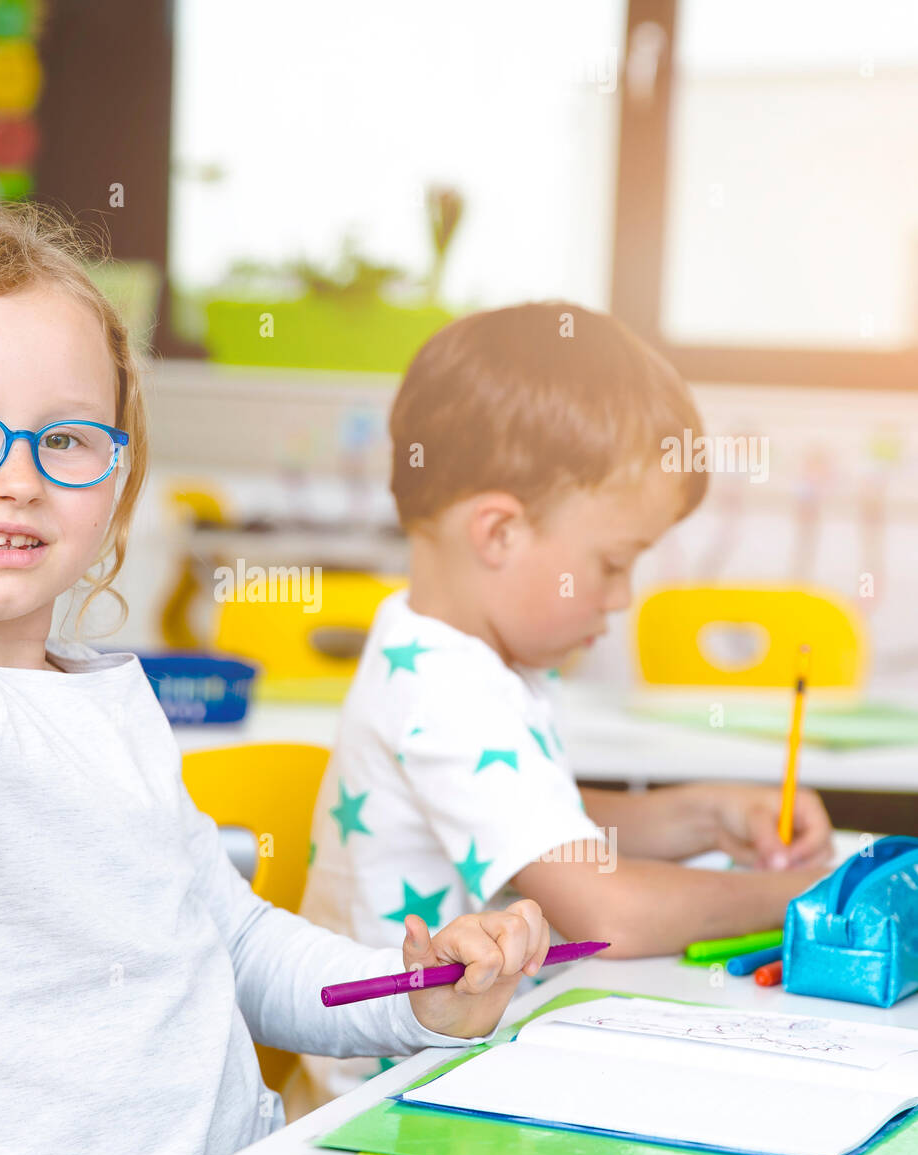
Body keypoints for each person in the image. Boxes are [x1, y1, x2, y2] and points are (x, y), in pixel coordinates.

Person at [0, 202, 550, 1155]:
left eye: (70, 439)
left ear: (116, 479)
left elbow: (239, 942)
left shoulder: (108, 701)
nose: (17, 477)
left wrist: (414, 994)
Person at [292, 302, 835, 1110]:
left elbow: (538, 823)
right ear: (500, 533)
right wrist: (806, 894)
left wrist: (701, 814)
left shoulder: (454, 654)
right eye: (613, 563)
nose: (621, 598)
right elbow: (603, 902)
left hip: (462, 1064)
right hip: (393, 1104)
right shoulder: (445, 689)